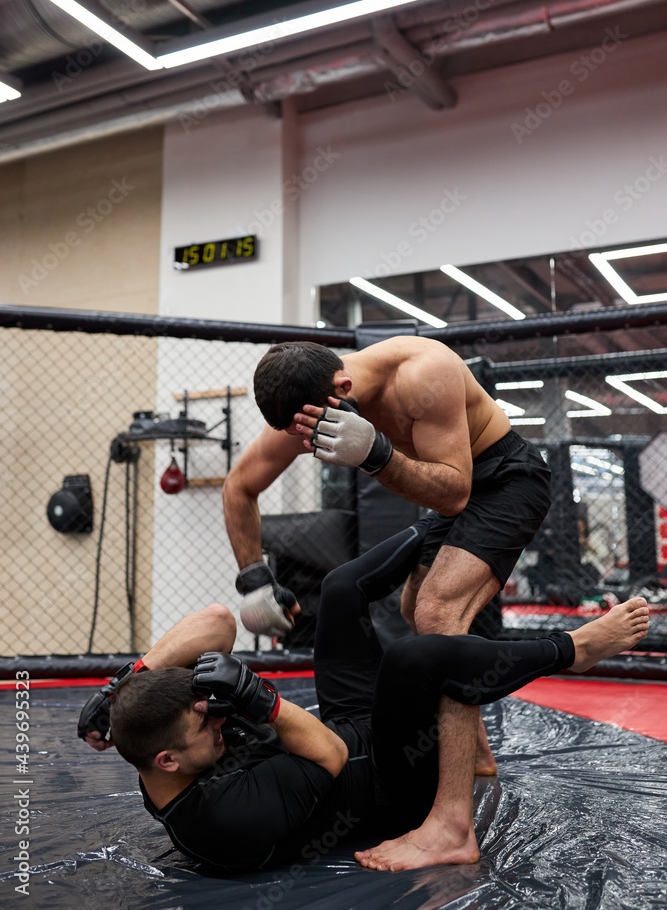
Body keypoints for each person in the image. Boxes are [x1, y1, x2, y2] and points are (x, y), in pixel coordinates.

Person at [78, 520, 650, 872]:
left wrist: (121, 684)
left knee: (341, 588)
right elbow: (326, 753)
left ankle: (449, 521)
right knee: (412, 656)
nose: (218, 725)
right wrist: (258, 698)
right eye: (206, 728)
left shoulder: (151, 731)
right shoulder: (221, 820)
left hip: (347, 726)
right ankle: (573, 648)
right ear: (168, 761)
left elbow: (216, 620)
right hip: (384, 778)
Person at [223, 336, 552, 860]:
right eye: (303, 437)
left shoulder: (423, 374)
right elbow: (240, 486)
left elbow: (456, 492)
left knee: (437, 615)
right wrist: (254, 579)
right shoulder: (307, 407)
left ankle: (453, 828)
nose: (312, 444)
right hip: (445, 491)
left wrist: (377, 454)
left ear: (343, 388)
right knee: (411, 610)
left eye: (316, 433)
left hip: (502, 479)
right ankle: (478, 755)